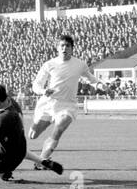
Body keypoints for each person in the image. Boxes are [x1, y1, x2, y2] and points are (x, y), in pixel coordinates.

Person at [28, 34, 105, 170]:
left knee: (59, 129)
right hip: (48, 104)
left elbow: (91, 79)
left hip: (67, 105)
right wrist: (43, 91)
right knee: (32, 135)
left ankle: (42, 160)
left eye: (67, 46)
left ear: (72, 49)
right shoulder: (49, 64)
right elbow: (36, 85)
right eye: (62, 45)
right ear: (57, 48)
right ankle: (43, 151)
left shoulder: (79, 64)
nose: (64, 48)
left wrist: (100, 85)